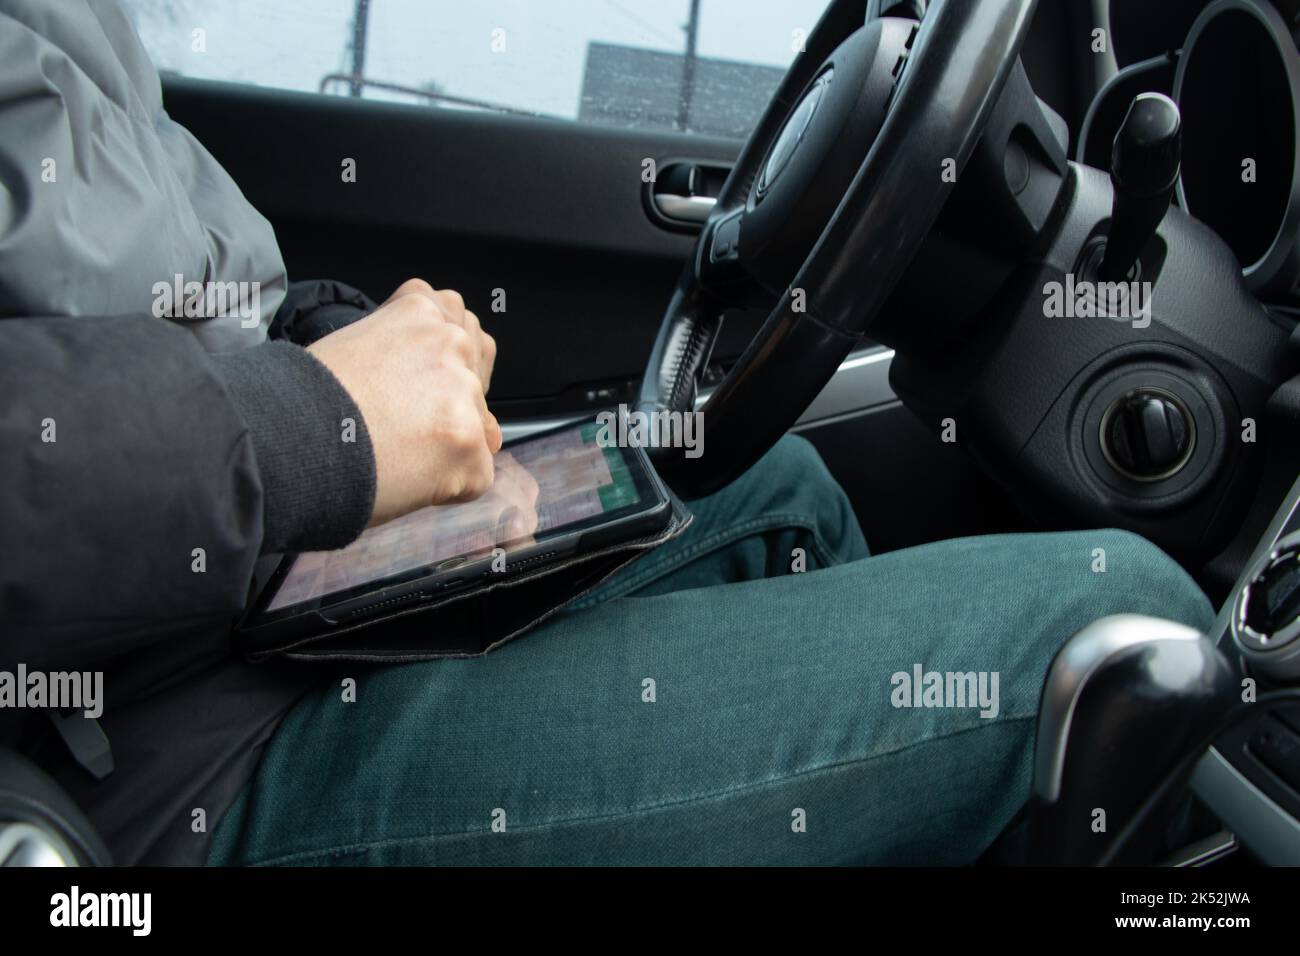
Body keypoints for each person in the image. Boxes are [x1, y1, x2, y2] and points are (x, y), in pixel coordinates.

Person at [0, 0, 1215, 866]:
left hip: (239, 596)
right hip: (147, 766)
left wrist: (329, 340)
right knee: (1121, 617)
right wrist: (319, 422)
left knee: (782, 496)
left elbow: (156, 267)